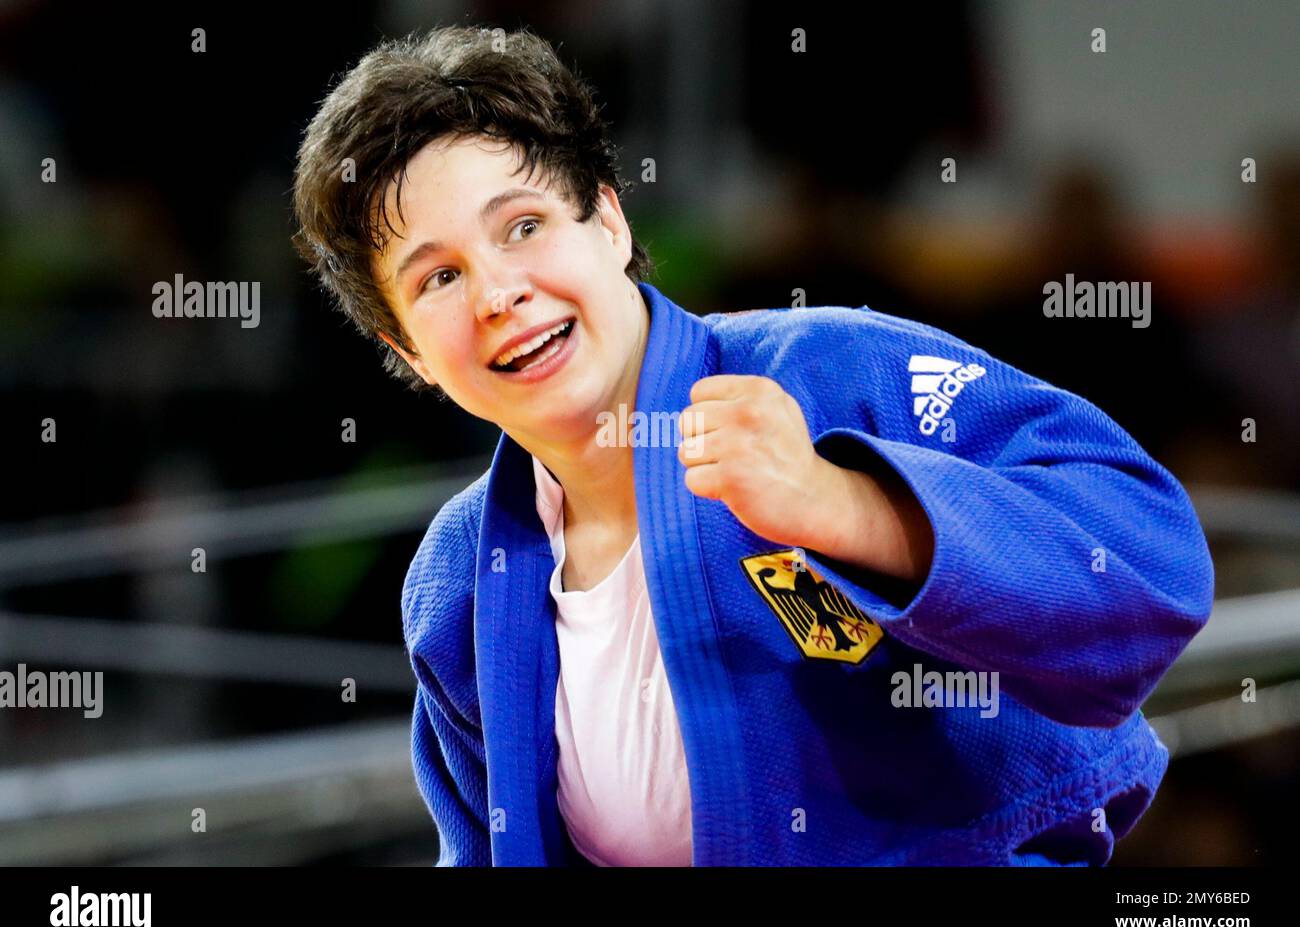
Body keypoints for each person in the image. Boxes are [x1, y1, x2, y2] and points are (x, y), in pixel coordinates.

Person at [291, 25, 1214, 866]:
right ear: (406, 350)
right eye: (441, 276)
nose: (498, 292)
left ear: (608, 222)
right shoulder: (459, 579)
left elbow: (1151, 558)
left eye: (524, 226)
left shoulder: (824, 368)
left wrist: (849, 506)